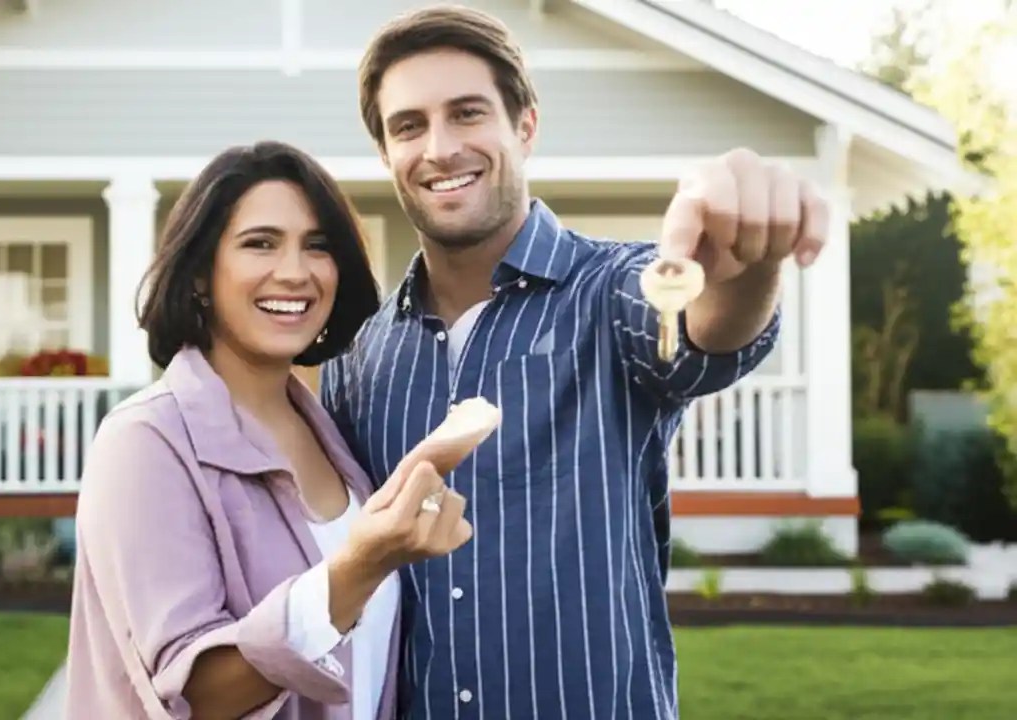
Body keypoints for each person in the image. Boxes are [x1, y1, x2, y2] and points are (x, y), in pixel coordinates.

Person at [318, 6, 831, 720]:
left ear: (525, 125)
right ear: (385, 152)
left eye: (468, 113)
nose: (438, 148)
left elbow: (698, 327)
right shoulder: (360, 357)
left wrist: (743, 266)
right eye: (408, 125)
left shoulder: (609, 293)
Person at [64, 140, 475, 720]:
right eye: (260, 244)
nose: (294, 273)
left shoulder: (332, 435)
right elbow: (194, 693)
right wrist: (361, 567)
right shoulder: (145, 442)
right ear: (201, 274)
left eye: (318, 246)